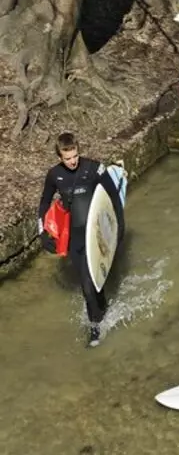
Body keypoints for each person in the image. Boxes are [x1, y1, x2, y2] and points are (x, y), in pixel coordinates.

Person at [37, 132, 125, 348]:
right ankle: (102, 311)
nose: (73, 161)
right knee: (91, 281)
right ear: (60, 156)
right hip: (75, 238)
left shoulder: (94, 168)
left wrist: (119, 229)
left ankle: (95, 329)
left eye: (75, 156)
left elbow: (113, 197)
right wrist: (42, 233)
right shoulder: (54, 175)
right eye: (67, 158)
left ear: (78, 150)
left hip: (95, 233)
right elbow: (43, 203)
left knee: (88, 285)